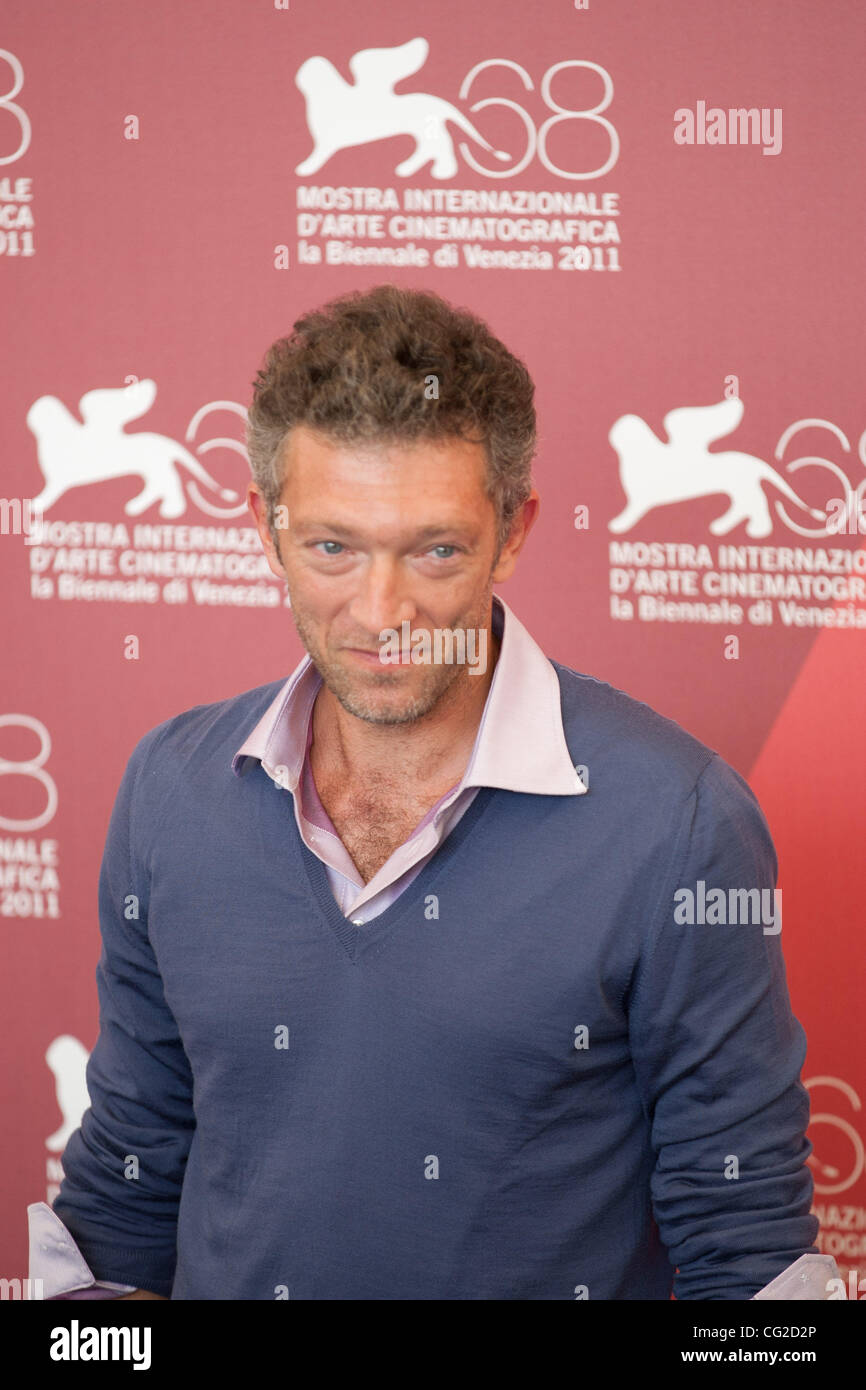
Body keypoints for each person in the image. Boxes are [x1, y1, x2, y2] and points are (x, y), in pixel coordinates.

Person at [30, 284, 821, 1300]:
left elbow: (747, 1259)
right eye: (332, 547)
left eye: (435, 549)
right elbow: (122, 1198)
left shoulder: (676, 821)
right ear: (264, 528)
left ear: (514, 529)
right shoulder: (171, 790)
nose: (382, 609)